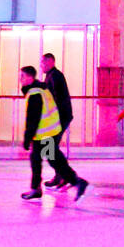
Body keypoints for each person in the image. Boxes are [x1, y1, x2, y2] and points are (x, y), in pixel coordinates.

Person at [19, 64, 88, 202]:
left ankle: (77, 182)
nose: (20, 79)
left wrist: (27, 138)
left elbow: (33, 119)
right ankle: (37, 188)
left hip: (44, 134)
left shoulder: (35, 93)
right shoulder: (40, 89)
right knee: (42, 159)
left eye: (22, 76)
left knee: (53, 160)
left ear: (30, 77)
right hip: (47, 132)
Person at [40, 52, 82, 191]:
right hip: (59, 117)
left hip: (60, 117)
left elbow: (57, 99)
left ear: (51, 62)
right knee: (51, 147)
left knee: (50, 147)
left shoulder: (55, 76)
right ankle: (61, 175)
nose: (41, 66)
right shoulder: (51, 76)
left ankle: (65, 176)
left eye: (43, 63)